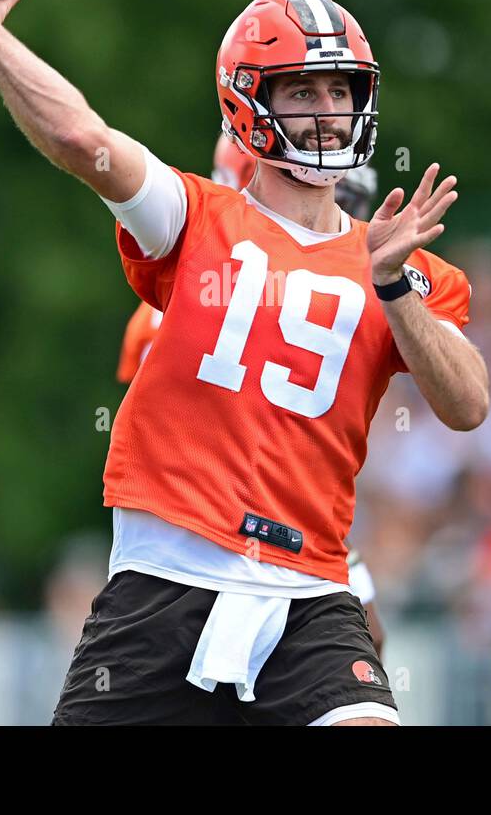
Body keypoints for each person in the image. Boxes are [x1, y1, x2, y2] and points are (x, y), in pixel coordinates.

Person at [0, 0, 491, 724]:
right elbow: (83, 140)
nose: (327, 111)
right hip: (164, 584)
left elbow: (468, 404)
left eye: (339, 89)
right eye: (302, 91)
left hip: (309, 591)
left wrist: (392, 284)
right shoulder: (197, 219)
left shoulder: (400, 263)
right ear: (249, 104)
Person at [118, 139, 387, 655]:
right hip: (211, 528)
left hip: (285, 514)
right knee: (366, 632)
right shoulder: (210, 268)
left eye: (348, 199)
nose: (340, 213)